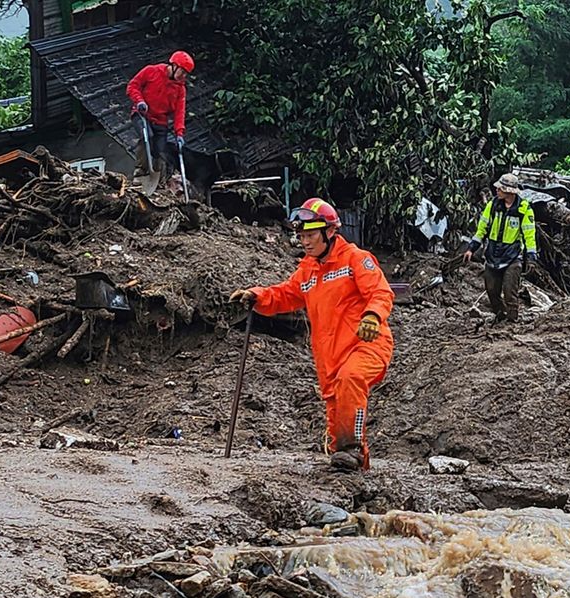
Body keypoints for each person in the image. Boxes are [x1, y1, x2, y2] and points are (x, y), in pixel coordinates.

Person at [229, 199, 394, 471]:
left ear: (329, 232)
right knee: (334, 405)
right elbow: (285, 294)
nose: (304, 242)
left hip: (366, 343)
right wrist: (257, 295)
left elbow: (380, 292)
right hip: (329, 353)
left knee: (351, 379)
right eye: (301, 236)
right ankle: (352, 468)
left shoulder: (355, 259)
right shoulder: (308, 269)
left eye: (310, 235)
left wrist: (372, 316)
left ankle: (350, 450)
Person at [465, 173, 538, 323]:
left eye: (500, 189)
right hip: (492, 254)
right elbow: (482, 229)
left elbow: (529, 236)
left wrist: (531, 258)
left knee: (510, 291)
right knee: (491, 290)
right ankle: (500, 315)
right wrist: (471, 248)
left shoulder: (524, 209)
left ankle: (512, 323)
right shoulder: (492, 206)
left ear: (510, 191)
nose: (497, 190)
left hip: (512, 256)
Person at [126, 51, 194, 179]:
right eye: (182, 72)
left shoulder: (180, 89)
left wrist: (179, 133)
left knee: (160, 151)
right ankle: (140, 170)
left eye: (186, 74)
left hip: (160, 121)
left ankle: (157, 178)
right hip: (142, 114)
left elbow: (180, 112)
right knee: (147, 136)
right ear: (174, 66)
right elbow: (132, 86)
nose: (183, 76)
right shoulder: (152, 71)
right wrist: (139, 100)